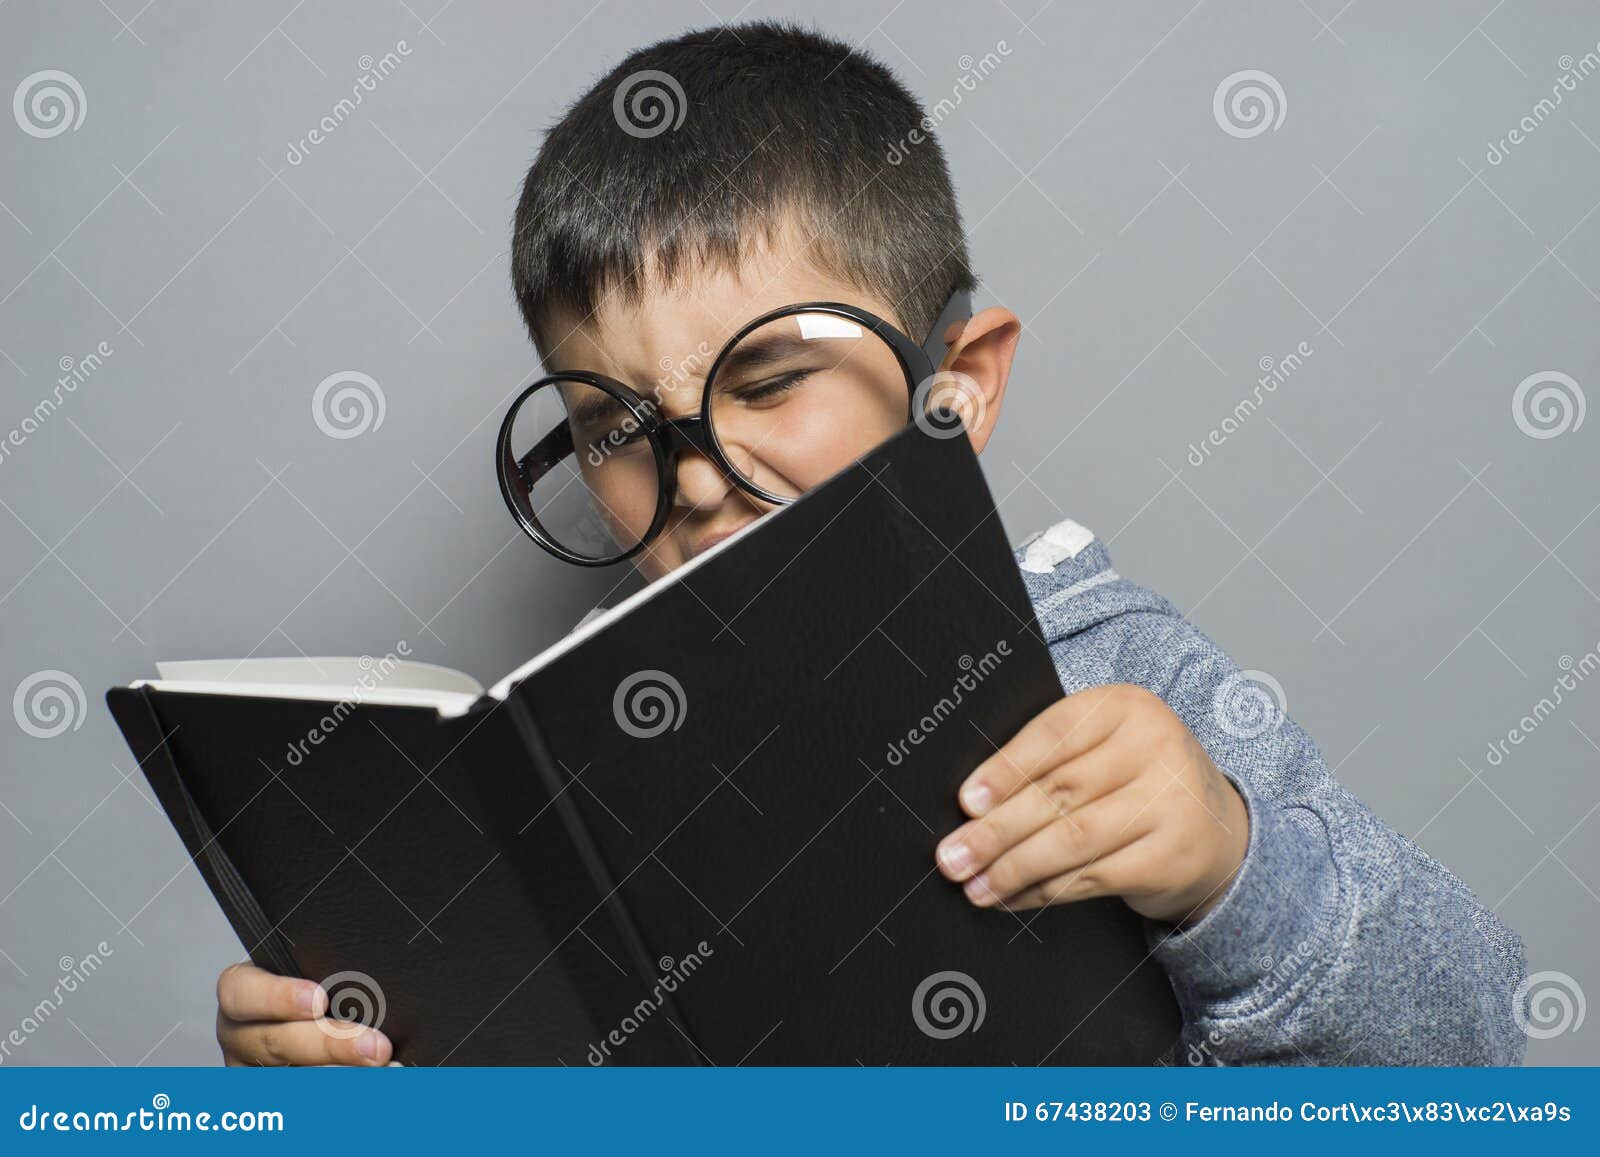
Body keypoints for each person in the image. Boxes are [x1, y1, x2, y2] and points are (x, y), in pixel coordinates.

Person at [214, 21, 1525, 1067]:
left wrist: (1233, 872)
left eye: (771, 381)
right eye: (616, 428)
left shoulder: (1117, 680)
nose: (696, 481)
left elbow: (1473, 1047)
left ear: (958, 384)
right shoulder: (581, 761)